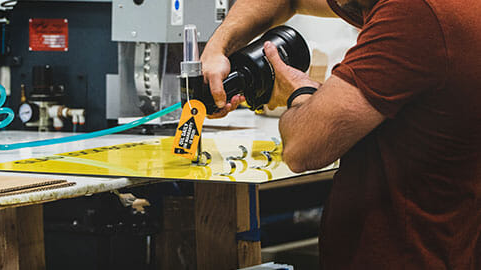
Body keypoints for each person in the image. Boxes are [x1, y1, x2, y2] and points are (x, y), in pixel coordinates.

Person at [200, 0, 481, 268]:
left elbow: (303, 147)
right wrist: (218, 48)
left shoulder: (414, 13)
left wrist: (297, 92)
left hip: (406, 256)